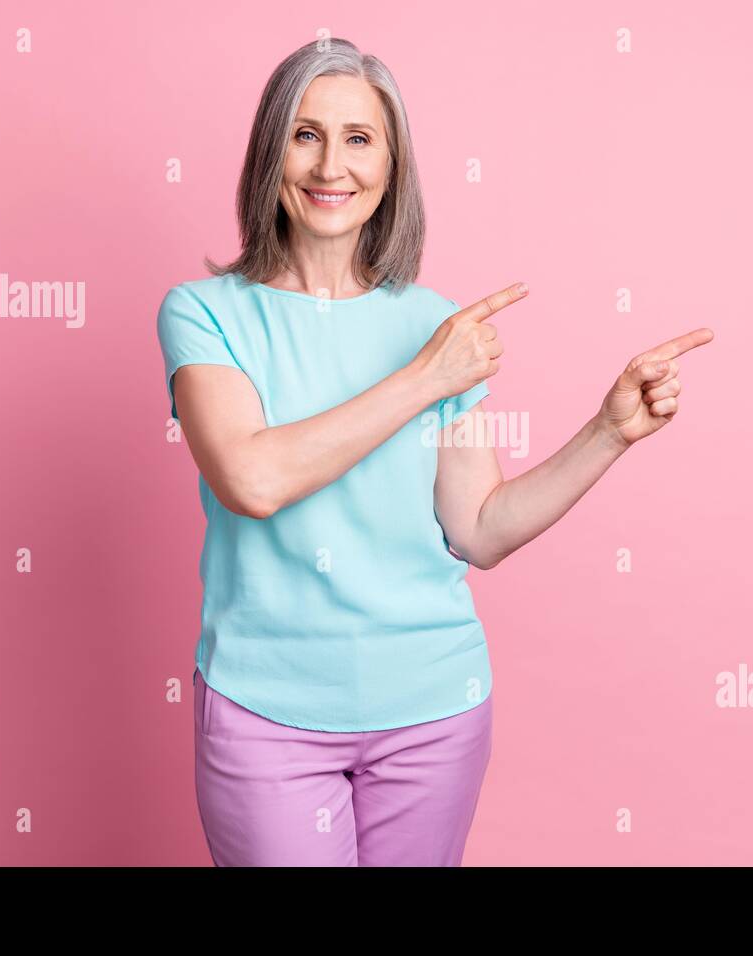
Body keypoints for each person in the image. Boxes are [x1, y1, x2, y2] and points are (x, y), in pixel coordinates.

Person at [156, 37, 713, 867]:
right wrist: (425, 378)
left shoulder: (435, 322)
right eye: (304, 134)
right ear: (270, 152)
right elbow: (253, 478)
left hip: (433, 710)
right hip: (264, 712)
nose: (330, 166)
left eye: (358, 138)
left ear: (391, 165)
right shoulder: (205, 313)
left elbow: (480, 530)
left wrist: (608, 432)